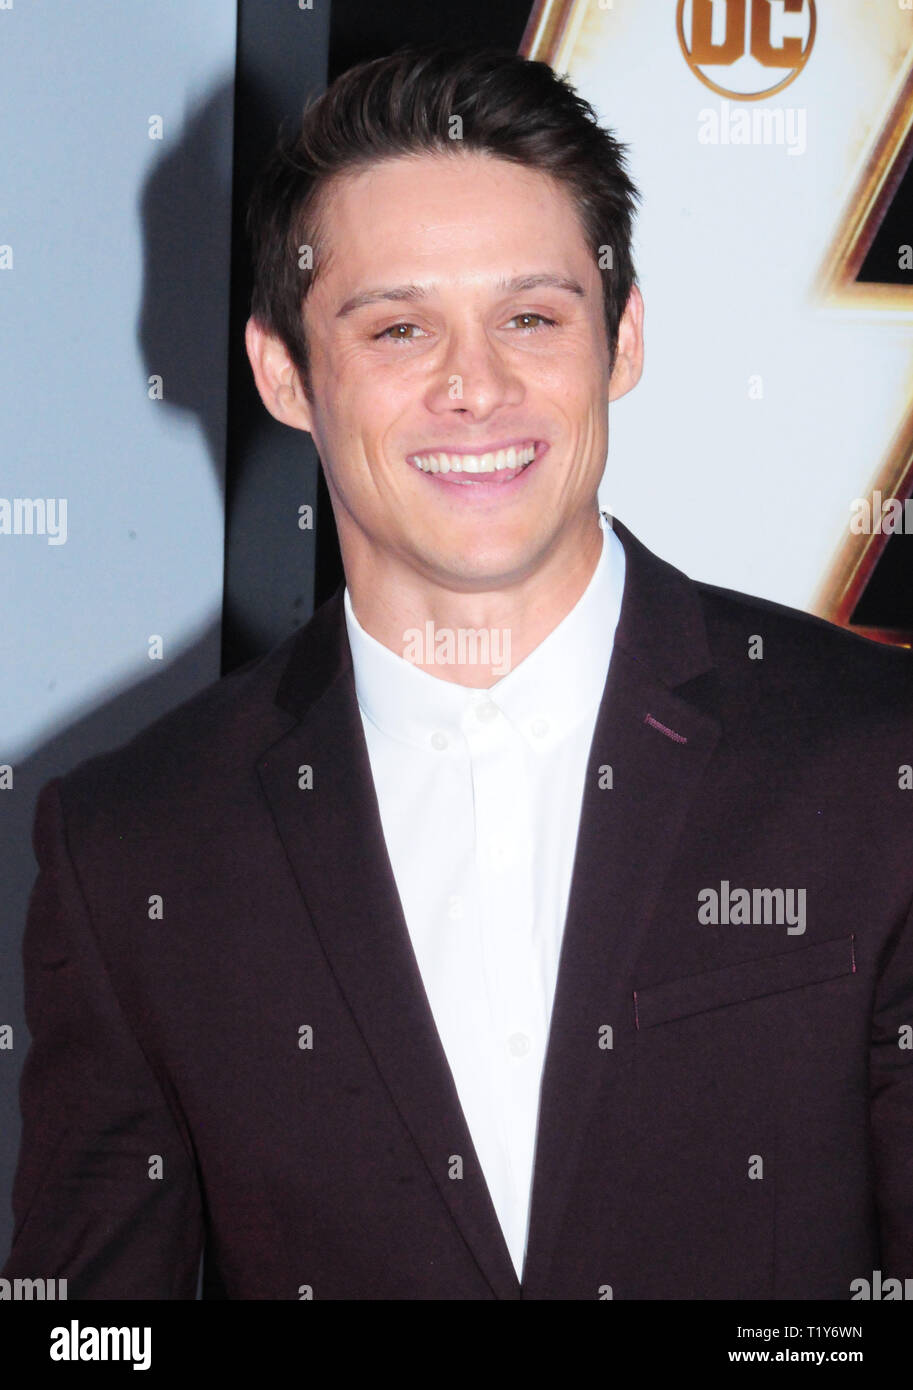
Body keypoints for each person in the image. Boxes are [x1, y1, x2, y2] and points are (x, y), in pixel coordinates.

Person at [3, 42, 912, 1301]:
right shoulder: (136, 847)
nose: (474, 387)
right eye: (398, 328)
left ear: (623, 337)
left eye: (530, 317)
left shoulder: (875, 762)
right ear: (283, 373)